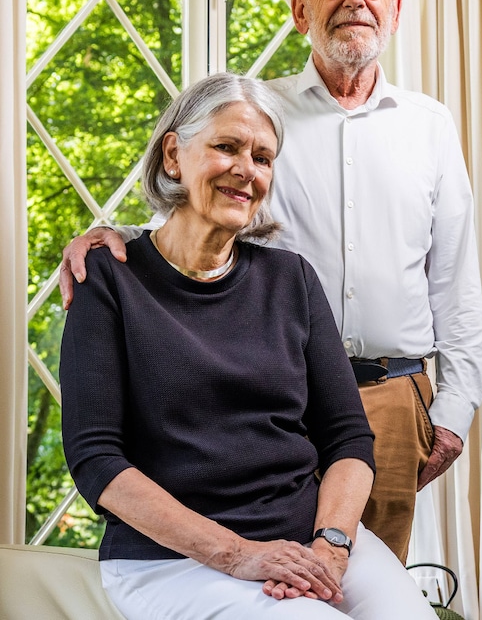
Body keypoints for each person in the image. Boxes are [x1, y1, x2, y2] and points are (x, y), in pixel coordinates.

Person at [61, 0, 482, 565]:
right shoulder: (261, 113)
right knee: (267, 580)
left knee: (356, 576)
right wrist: (117, 238)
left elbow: (456, 281)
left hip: (392, 398)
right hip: (274, 398)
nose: (356, 0)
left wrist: (455, 410)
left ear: (396, 11)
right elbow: (208, 205)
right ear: (299, 11)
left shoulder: (430, 126)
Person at [59, 72, 437, 620]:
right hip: (172, 562)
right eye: (226, 147)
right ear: (173, 155)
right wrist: (238, 556)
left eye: (263, 157)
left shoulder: (292, 280)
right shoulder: (110, 278)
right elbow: (97, 461)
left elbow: (348, 437)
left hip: (306, 539)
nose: (247, 170)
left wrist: (330, 548)